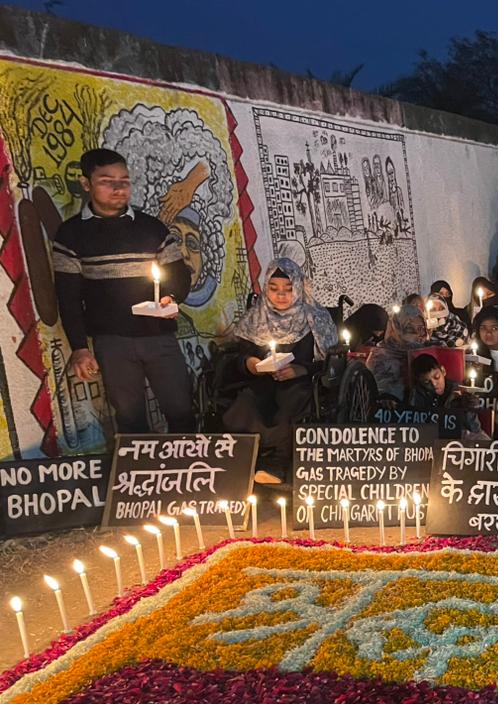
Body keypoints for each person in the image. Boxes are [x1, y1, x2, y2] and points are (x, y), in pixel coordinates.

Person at [53, 148, 195, 434]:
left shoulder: (151, 228)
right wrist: (80, 347)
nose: (119, 188)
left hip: (159, 336)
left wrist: (172, 298)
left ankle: (189, 473)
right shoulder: (71, 235)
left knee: (181, 409)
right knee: (129, 418)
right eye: (107, 181)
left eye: (125, 181)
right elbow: (68, 296)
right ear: (86, 184)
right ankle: (143, 476)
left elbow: (178, 276)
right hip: (111, 341)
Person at [220, 258, 337, 484]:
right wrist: (252, 364)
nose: (281, 295)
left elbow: (330, 361)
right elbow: (242, 356)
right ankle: (242, 463)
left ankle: (276, 464)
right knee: (246, 403)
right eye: (274, 289)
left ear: (298, 287)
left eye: (288, 289)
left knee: (289, 404)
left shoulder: (315, 318)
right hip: (261, 381)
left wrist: (300, 369)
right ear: (265, 289)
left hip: (300, 383)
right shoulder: (254, 318)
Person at [368, 295, 433, 400]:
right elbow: (378, 390)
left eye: (421, 329)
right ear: (397, 329)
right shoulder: (380, 356)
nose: (418, 335)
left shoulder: (430, 349)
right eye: (410, 329)